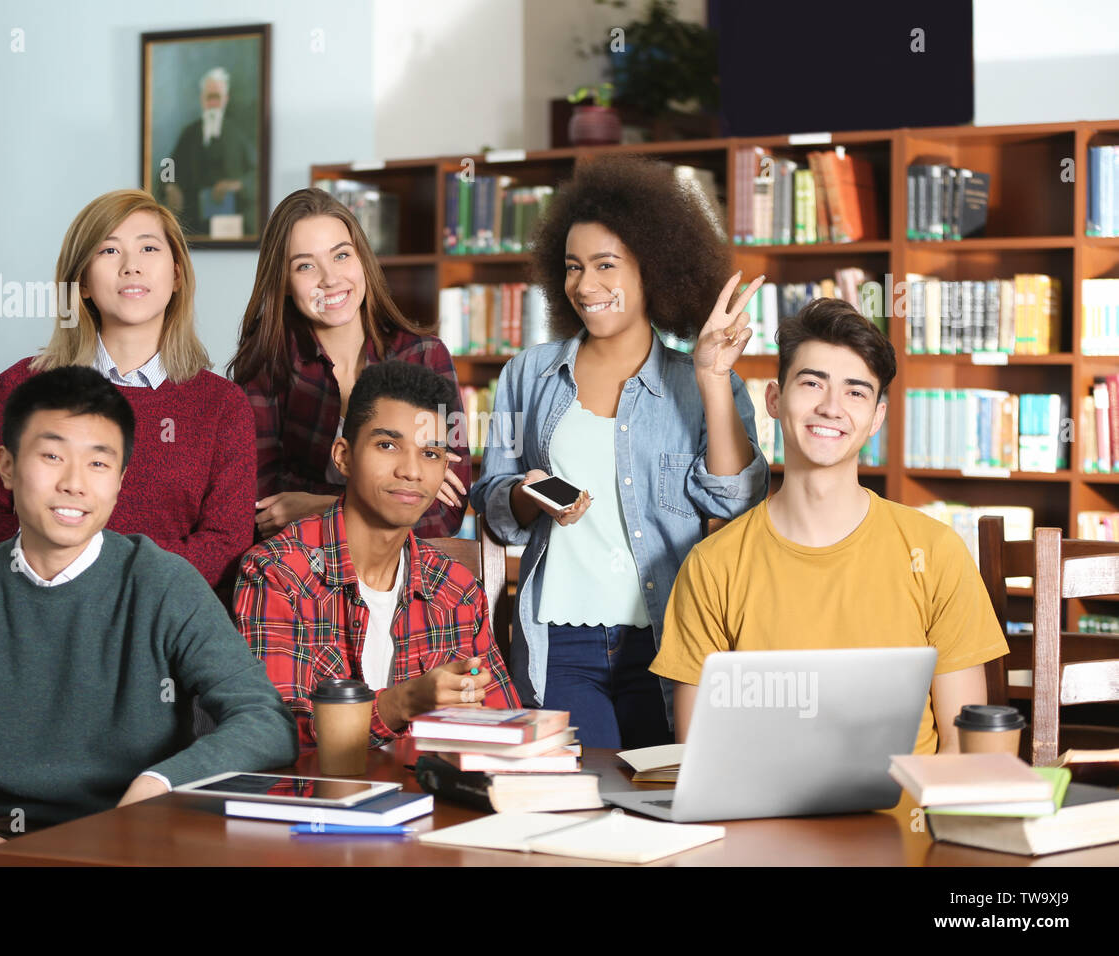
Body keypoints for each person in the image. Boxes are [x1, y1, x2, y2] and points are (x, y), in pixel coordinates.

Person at [0, 367, 297, 866]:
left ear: (121, 480)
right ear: (6, 466)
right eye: (52, 456)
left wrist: (159, 783)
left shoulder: (162, 581)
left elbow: (265, 720)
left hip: (139, 838)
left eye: (98, 464)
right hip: (8, 841)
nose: (74, 484)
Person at [468, 155, 769, 750]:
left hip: (668, 641)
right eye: (574, 267)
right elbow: (493, 502)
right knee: (581, 800)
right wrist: (527, 495)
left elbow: (738, 504)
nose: (585, 285)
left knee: (662, 802)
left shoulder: (703, 381)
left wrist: (711, 378)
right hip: (560, 643)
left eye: (607, 265)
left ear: (653, 269)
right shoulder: (527, 375)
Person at [650, 298, 1009, 754]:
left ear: (876, 418)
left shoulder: (935, 551)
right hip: (767, 818)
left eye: (856, 392)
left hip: (905, 820)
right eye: (813, 384)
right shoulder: (712, 567)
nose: (832, 407)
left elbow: (964, 751)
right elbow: (701, 756)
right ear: (775, 400)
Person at [0, 188, 258, 589]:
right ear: (82, 284)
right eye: (109, 251)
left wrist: (116, 578)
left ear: (177, 275)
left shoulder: (222, 405)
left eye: (149, 249)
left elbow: (226, 545)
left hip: (166, 628)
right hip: (42, 613)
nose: (131, 266)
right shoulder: (21, 386)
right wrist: (62, 567)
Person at [234, 361, 517, 748]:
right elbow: (278, 736)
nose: (412, 471)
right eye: (388, 445)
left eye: (431, 454)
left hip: (439, 802)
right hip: (319, 803)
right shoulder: (278, 574)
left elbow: (503, 730)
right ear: (343, 456)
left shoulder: (459, 591)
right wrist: (402, 704)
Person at [228, 187, 471, 541]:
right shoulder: (267, 367)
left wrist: (314, 505)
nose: (330, 279)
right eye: (306, 265)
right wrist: (392, 498)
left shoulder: (426, 355)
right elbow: (264, 509)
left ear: (362, 261)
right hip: (305, 572)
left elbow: (445, 511)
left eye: (341, 256)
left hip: (403, 572)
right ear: (283, 282)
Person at [159, 66, 259, 236]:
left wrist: (237, 184)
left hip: (230, 225)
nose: (213, 104)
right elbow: (167, 167)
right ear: (202, 99)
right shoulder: (189, 134)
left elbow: (257, 174)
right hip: (193, 226)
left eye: (217, 98)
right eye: (209, 98)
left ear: (225, 99)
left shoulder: (238, 135)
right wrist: (169, 187)